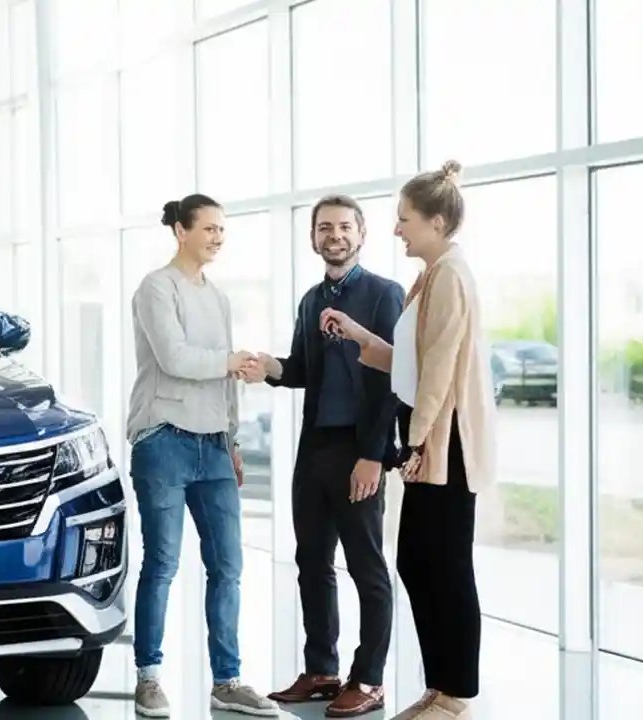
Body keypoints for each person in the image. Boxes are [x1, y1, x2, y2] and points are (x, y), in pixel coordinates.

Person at [320, 160, 494, 720]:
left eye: (405, 220)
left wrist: (417, 443)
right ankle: (442, 687)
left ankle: (455, 694)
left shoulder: (450, 275)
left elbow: (440, 368)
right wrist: (359, 335)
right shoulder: (435, 273)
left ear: (437, 222)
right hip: (432, 437)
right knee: (421, 561)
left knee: (441, 563)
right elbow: (415, 363)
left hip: (447, 443)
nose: (397, 230)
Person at [238, 195, 403, 717]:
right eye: (324, 227)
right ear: (313, 237)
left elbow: (393, 380)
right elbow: (303, 370)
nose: (334, 235)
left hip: (360, 450)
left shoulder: (384, 294)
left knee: (367, 567)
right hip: (314, 451)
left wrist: (374, 455)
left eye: (344, 227)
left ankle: (369, 678)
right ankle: (321, 671)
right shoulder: (311, 300)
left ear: (361, 234)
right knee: (312, 563)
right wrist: (269, 365)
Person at [126, 193, 277, 718]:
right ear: (181, 231)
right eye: (209, 228)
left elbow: (227, 381)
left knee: (228, 567)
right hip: (163, 439)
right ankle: (148, 678)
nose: (217, 237)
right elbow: (175, 358)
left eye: (221, 230)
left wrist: (233, 439)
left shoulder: (219, 298)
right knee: (163, 563)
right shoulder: (155, 287)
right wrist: (231, 360)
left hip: (213, 445)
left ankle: (227, 681)